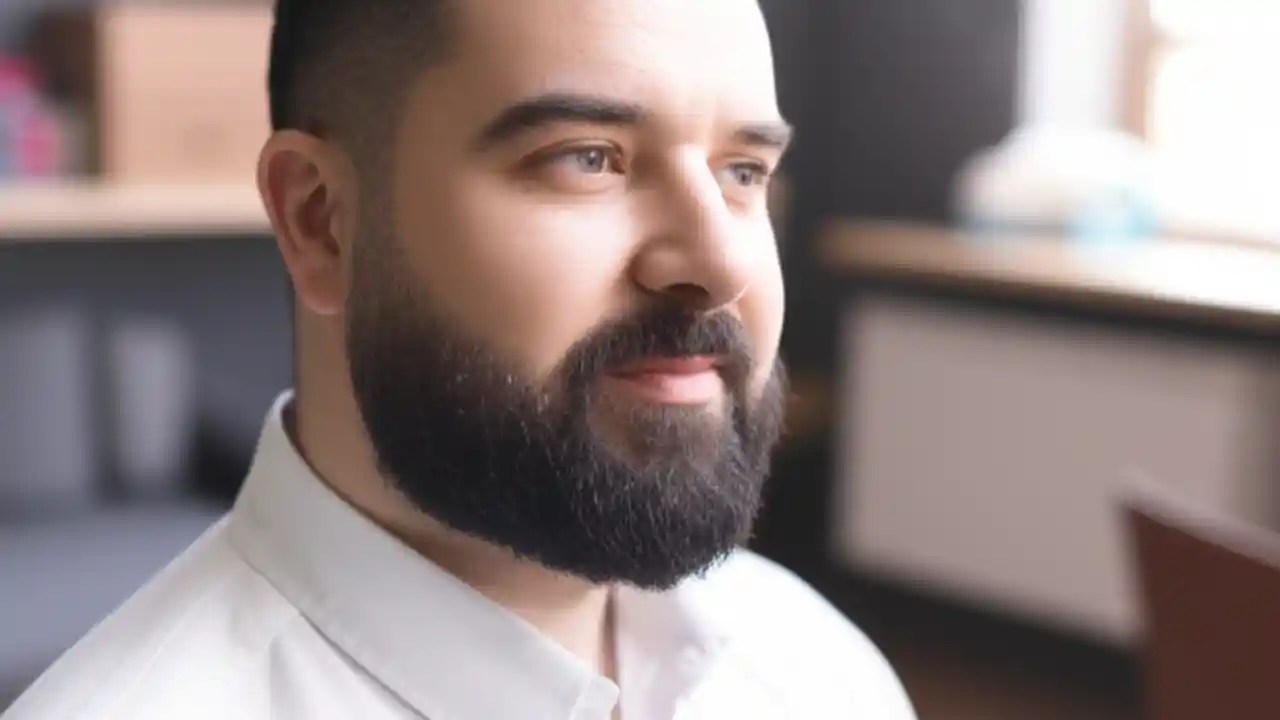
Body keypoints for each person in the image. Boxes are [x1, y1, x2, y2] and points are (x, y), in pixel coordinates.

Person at [5, 1, 915, 718]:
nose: (719, 265)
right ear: (321, 222)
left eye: (742, 172)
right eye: (587, 158)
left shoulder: (819, 669)